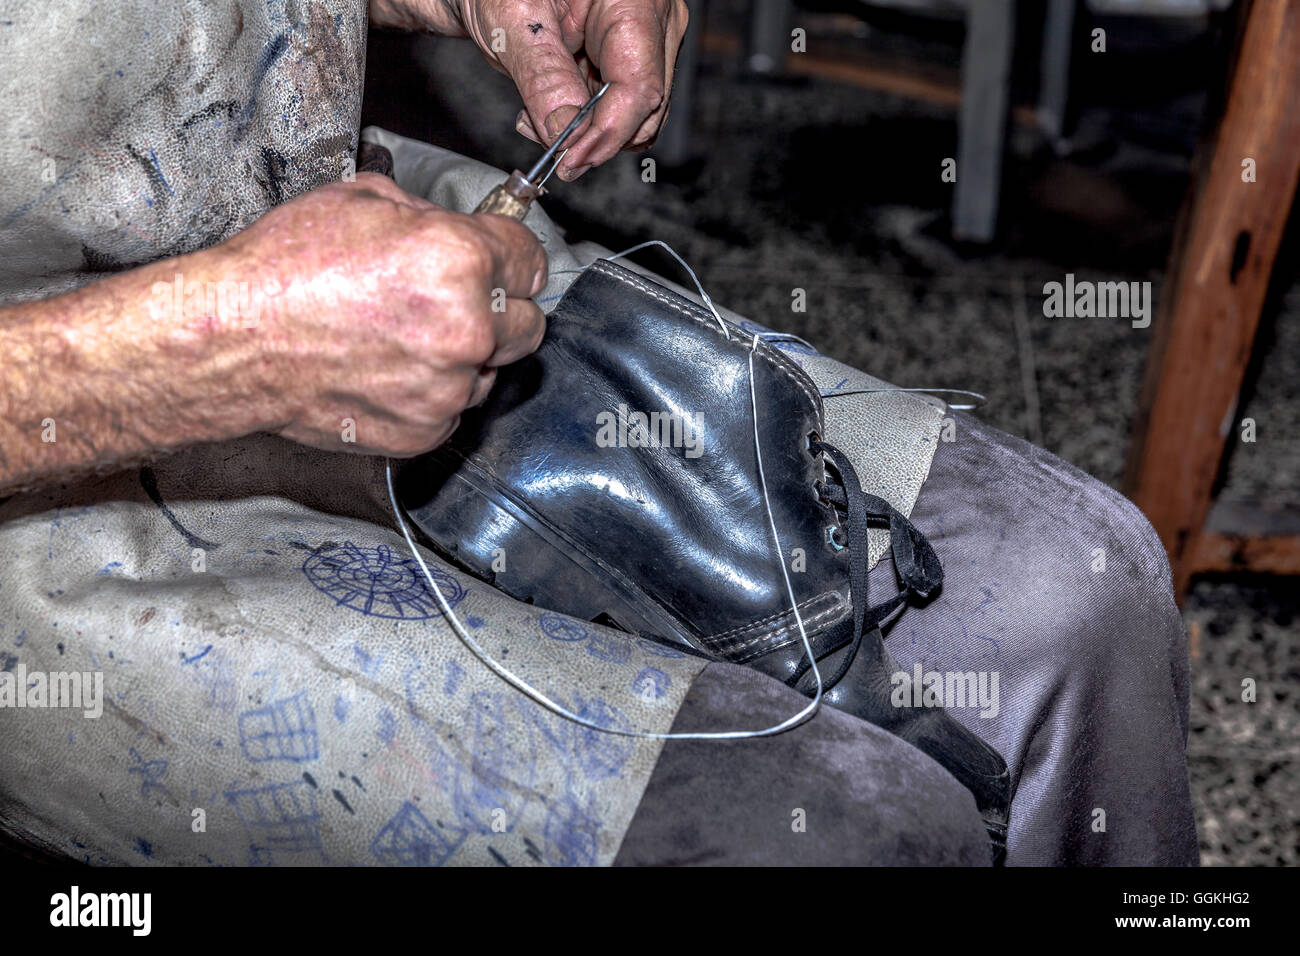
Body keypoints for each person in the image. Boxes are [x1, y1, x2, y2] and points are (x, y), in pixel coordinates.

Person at [0, 0, 1197, 866]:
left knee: (1071, 587)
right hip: (54, 477)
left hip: (322, 216)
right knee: (845, 827)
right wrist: (214, 350)